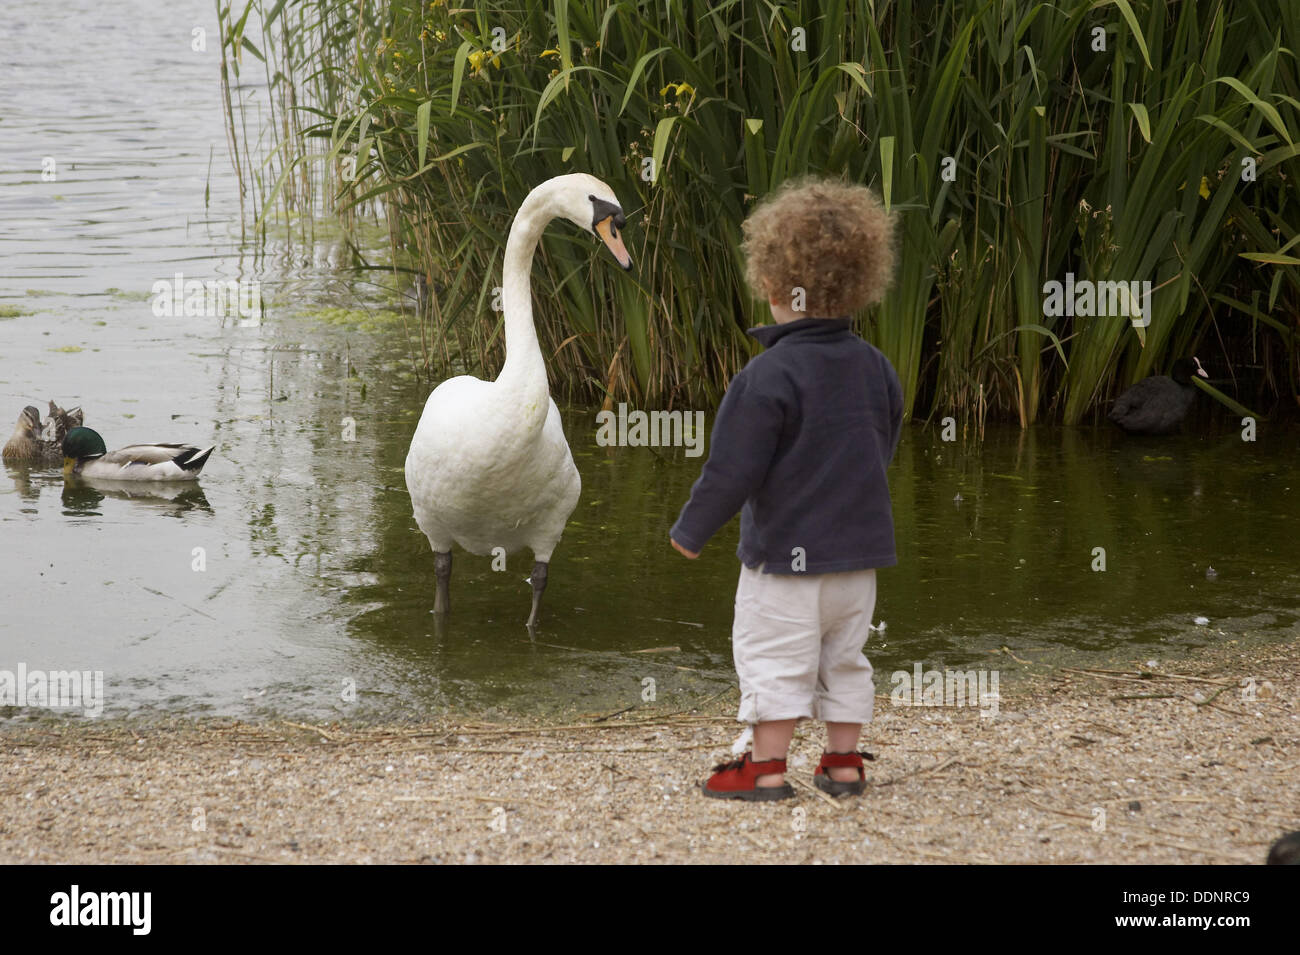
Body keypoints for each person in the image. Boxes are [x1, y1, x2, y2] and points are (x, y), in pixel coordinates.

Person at [669, 176, 902, 800]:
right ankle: (844, 765)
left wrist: (692, 530)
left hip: (784, 564)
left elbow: (731, 469)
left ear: (771, 284)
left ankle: (765, 771)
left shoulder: (765, 376)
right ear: (858, 283)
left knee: (774, 658)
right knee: (845, 658)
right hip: (857, 562)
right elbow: (884, 440)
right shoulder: (876, 367)